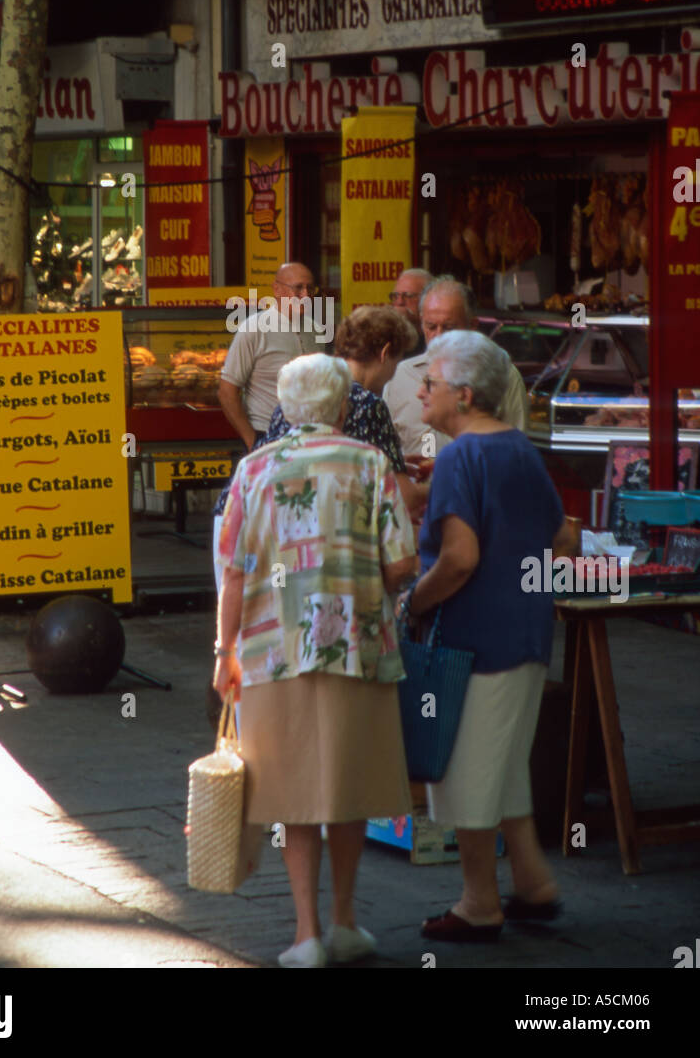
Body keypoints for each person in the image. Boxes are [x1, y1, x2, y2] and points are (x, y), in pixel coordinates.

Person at [214, 353, 417, 968]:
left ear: (284, 405)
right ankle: (347, 922)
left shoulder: (252, 470)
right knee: (349, 787)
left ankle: (306, 936)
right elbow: (402, 563)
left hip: (273, 649)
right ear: (337, 405)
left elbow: (233, 570)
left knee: (293, 792)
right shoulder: (371, 463)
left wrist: (224, 653)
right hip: (357, 645)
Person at [395, 330, 576, 943]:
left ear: (465, 395)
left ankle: (479, 902)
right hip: (524, 634)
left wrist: (412, 602)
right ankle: (534, 884)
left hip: (474, 641)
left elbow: (459, 559)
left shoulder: (460, 458)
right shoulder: (520, 450)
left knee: (468, 774)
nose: (420, 391)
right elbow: (563, 539)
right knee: (504, 771)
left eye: (431, 384)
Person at [251, 305, 425, 524]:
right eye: (396, 361)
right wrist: (435, 486)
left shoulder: (299, 391)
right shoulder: (368, 404)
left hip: (268, 520)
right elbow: (404, 499)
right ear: (385, 353)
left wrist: (395, 462)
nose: (393, 374)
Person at [385, 275, 529, 460]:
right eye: (431, 327)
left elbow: (516, 452)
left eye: (449, 327)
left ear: (473, 326)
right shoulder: (400, 376)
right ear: (421, 324)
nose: (439, 337)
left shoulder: (503, 375)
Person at [217, 262, 325, 451]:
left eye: (310, 288)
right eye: (298, 288)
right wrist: (253, 441)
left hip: (309, 439)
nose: (306, 295)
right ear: (277, 289)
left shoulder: (315, 330)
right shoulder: (254, 329)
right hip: (268, 437)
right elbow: (227, 392)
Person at [386, 267, 432, 357]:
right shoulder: (388, 334)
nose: (399, 302)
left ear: (428, 299)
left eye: (407, 296)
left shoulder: (436, 334)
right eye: (395, 296)